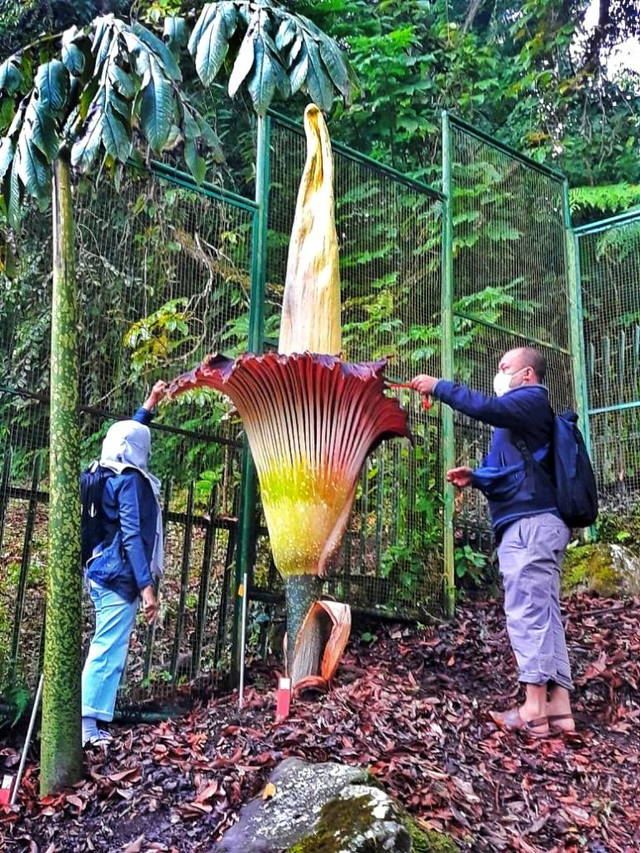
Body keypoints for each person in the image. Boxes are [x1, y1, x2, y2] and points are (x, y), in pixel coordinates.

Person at [411, 348, 575, 738]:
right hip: (538, 521)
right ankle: (559, 708)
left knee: (527, 612)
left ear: (528, 374)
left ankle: (534, 709)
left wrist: (440, 387)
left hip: (530, 525)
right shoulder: (524, 414)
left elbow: (484, 406)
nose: (499, 374)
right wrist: (479, 476)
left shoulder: (530, 400)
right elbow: (515, 471)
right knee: (545, 613)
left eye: (505, 368)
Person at [81, 381, 168, 747]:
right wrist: (147, 587)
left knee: (109, 646)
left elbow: (126, 436)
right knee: (107, 650)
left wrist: (149, 404)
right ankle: (86, 729)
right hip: (118, 576)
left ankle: (92, 724)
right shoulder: (131, 481)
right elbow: (132, 535)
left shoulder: (106, 470)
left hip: (101, 568)